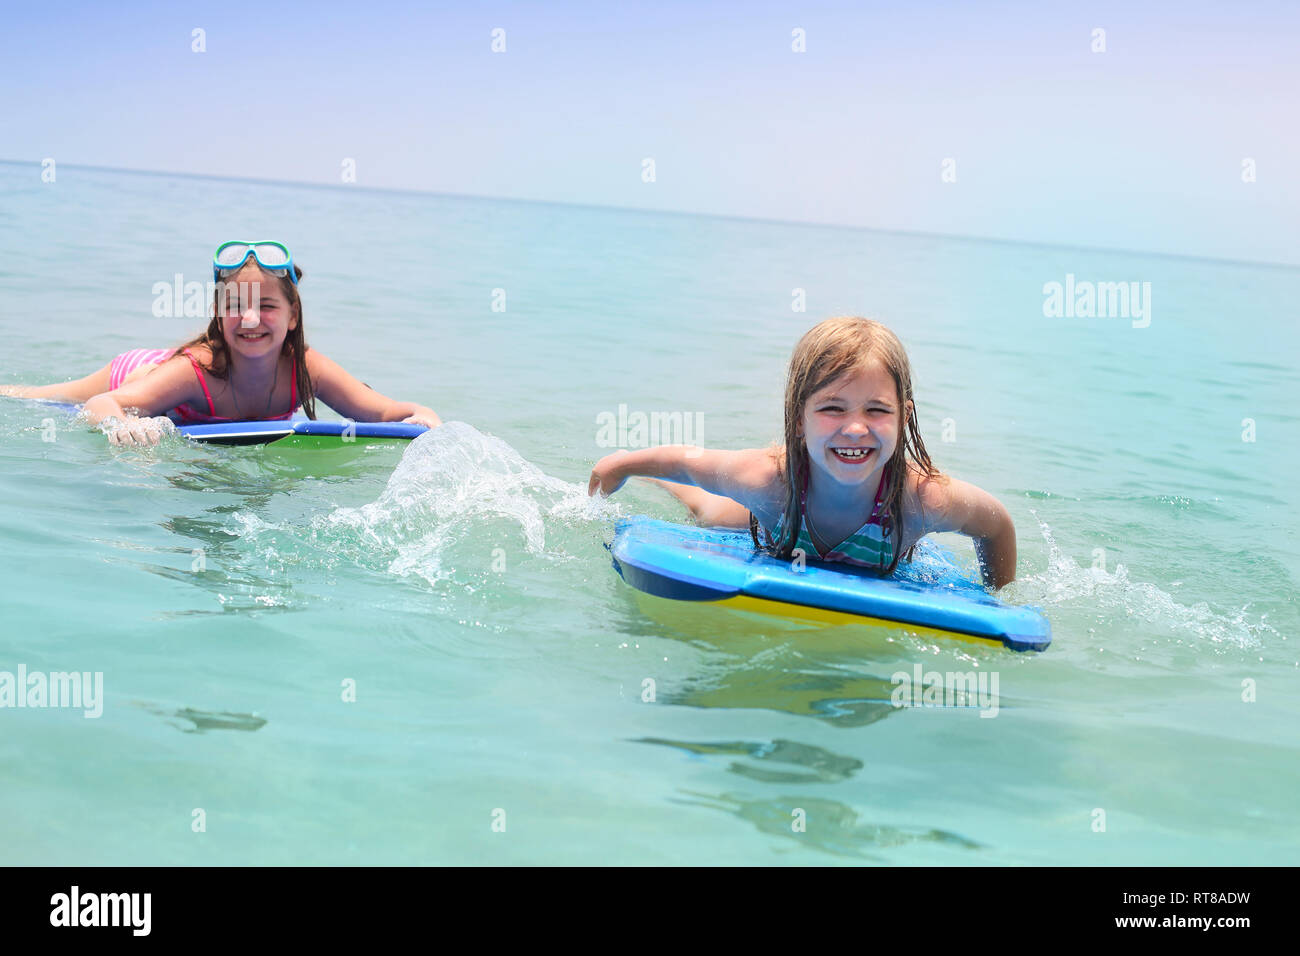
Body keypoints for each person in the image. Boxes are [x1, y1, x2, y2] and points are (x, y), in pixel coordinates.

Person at [588, 316, 1018, 588]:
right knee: (709, 511)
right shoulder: (763, 481)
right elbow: (685, 459)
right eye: (832, 408)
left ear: (904, 417)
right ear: (798, 418)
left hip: (879, 540)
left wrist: (995, 599)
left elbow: (997, 526)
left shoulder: (924, 501)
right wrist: (616, 470)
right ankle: (662, 486)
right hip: (781, 514)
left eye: (877, 410)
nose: (855, 428)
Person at [1, 241, 442, 446]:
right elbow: (101, 403)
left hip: (173, 384)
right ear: (219, 313)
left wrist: (424, 416)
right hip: (144, 374)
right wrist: (122, 425)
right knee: (39, 400)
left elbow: (381, 411)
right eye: (235, 306)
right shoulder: (197, 370)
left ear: (292, 318)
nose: (250, 319)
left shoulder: (307, 369)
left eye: (267, 306)